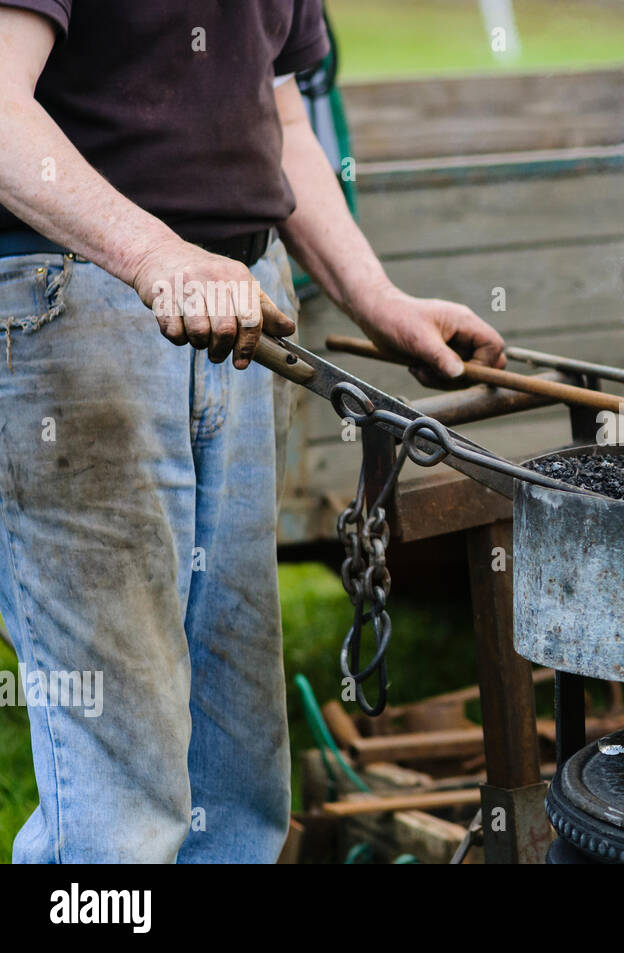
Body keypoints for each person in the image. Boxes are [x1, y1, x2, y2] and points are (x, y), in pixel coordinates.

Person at [0, 1, 505, 863]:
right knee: (119, 801)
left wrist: (374, 295)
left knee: (238, 779)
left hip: (243, 320)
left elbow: (281, 116)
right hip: (76, 305)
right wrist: (159, 257)